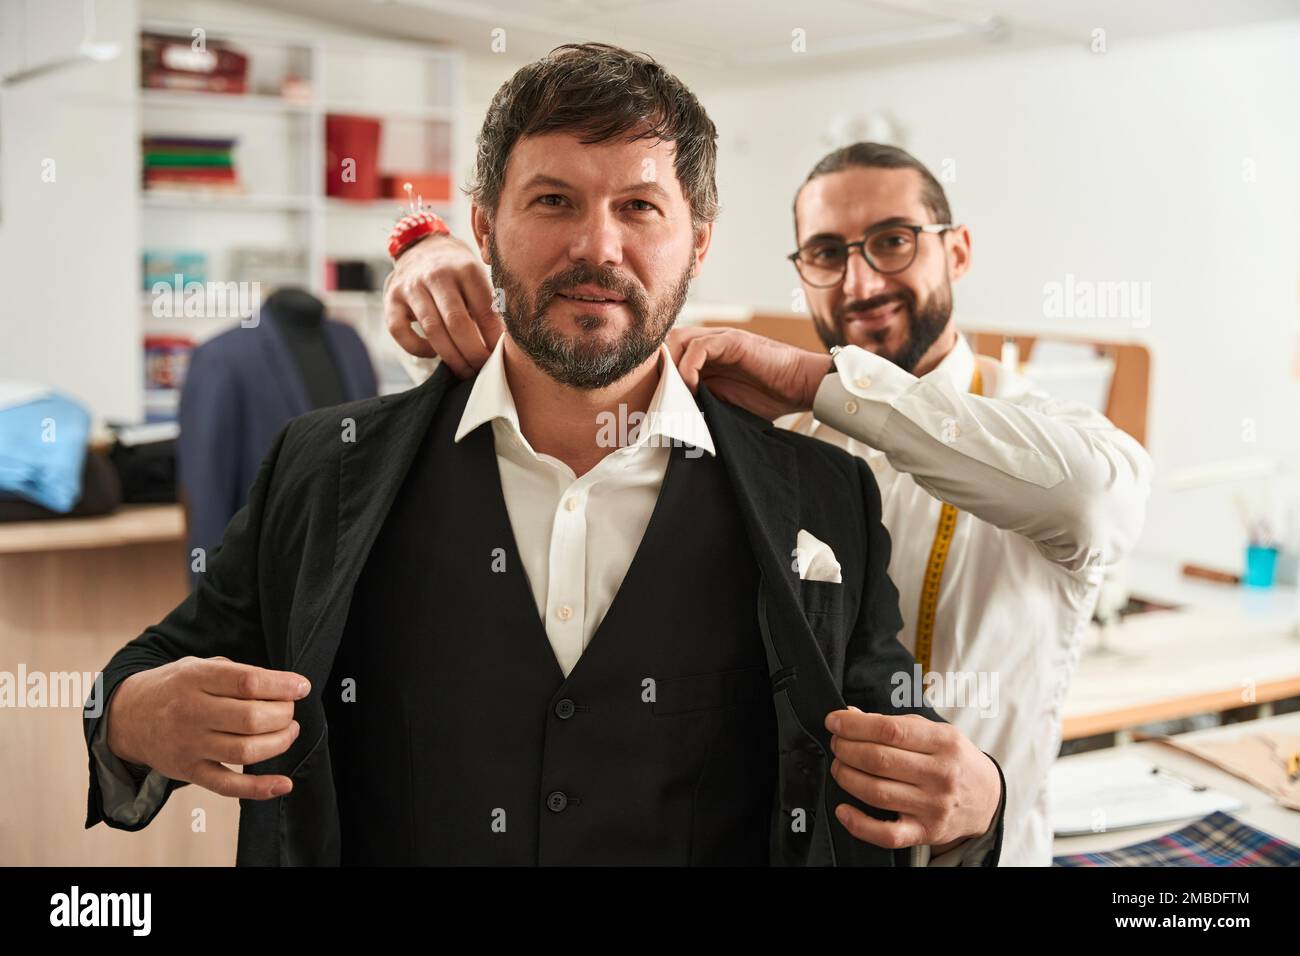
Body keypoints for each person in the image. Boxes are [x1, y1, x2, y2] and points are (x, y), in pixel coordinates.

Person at [85, 44, 1005, 866]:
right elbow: (149, 672)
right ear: (483, 227)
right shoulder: (326, 468)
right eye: (553, 201)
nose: (595, 246)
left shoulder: (821, 492)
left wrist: (977, 803)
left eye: (639, 207)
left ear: (699, 243)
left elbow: (900, 760)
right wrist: (131, 718)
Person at [382, 139, 1152, 865]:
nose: (860, 283)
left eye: (893, 240)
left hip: (979, 847)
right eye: (826, 254)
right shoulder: (781, 444)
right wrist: (429, 246)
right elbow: (611, 294)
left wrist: (824, 382)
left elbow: (1095, 503)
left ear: (957, 250)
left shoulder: (1031, 428)